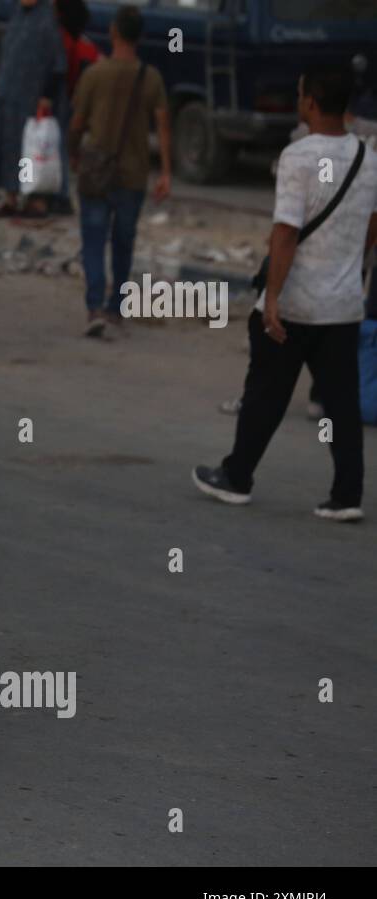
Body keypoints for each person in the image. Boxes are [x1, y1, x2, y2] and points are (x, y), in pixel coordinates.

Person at [194, 65, 377, 524]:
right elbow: (373, 225)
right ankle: (347, 493)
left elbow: (285, 233)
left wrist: (271, 298)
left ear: (311, 102)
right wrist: (353, 265)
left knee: (265, 394)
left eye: (299, 94)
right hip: (342, 304)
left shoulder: (298, 156)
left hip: (297, 303)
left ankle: (237, 477)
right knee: (340, 403)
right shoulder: (368, 156)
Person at [67, 4, 170, 337]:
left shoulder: (94, 74)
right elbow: (163, 126)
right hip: (133, 175)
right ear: (140, 36)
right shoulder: (152, 77)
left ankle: (94, 306)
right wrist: (166, 172)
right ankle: (116, 308)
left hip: (96, 172)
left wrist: (72, 154)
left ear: (113, 32)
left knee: (94, 241)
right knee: (124, 243)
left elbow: (78, 123)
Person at [0, 0, 64, 218]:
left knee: (28, 152)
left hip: (31, 99)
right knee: (9, 150)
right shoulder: (18, 17)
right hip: (9, 96)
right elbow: (8, 56)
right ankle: (11, 196)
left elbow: (56, 63)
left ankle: (32, 198)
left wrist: (47, 95)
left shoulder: (46, 22)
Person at [49, 0, 97, 216]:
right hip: (74, 100)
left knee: (45, 148)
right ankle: (58, 193)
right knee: (61, 150)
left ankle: (52, 193)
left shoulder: (62, 41)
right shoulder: (85, 44)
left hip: (61, 99)